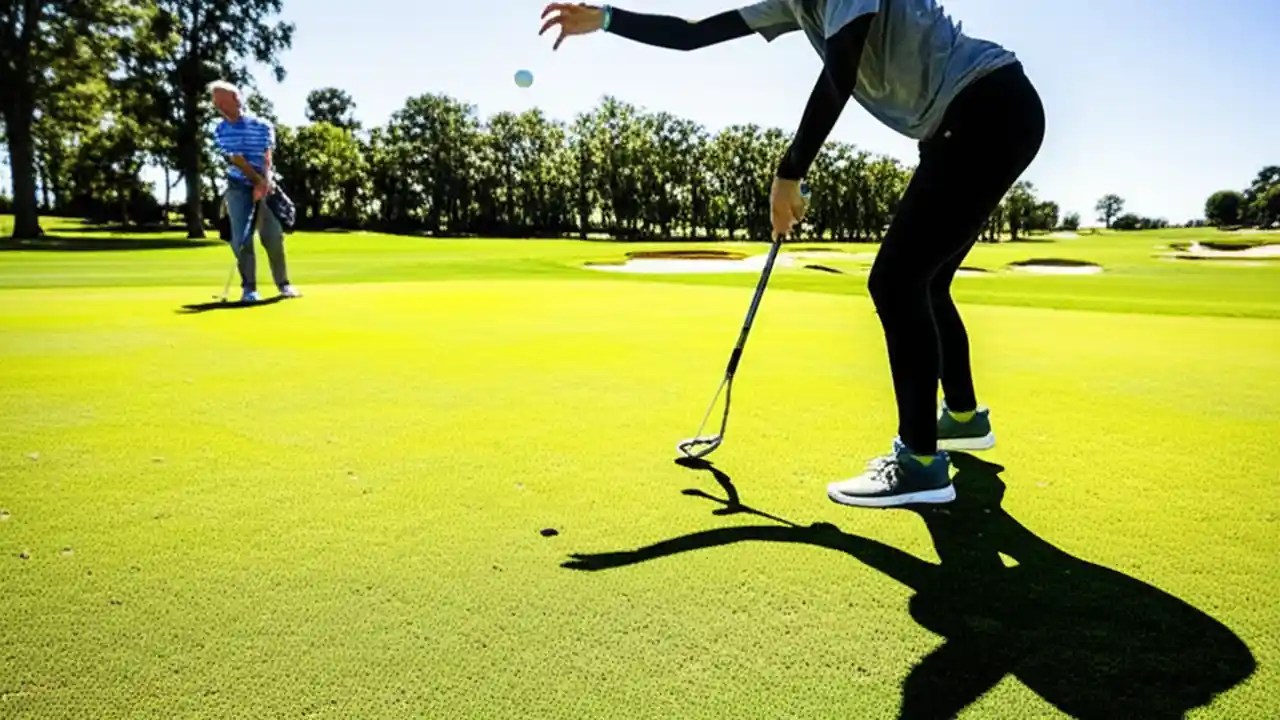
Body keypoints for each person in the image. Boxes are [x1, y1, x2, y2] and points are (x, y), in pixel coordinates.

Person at [539, 1, 1045, 508]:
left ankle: (920, 464)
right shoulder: (791, 3)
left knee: (895, 283)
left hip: (984, 108)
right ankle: (963, 419)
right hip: (981, 115)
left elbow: (841, 68)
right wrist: (608, 19)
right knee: (926, 281)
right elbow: (694, 34)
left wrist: (790, 173)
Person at [208, 80, 300, 303]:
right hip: (238, 186)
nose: (218, 106)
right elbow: (237, 160)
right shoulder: (220, 130)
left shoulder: (262, 126)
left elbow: (267, 157)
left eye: (221, 101)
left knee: (273, 236)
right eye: (215, 102)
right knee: (241, 239)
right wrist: (257, 182)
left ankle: (284, 284)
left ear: (236, 99)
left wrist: (265, 182)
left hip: (265, 184)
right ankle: (249, 289)